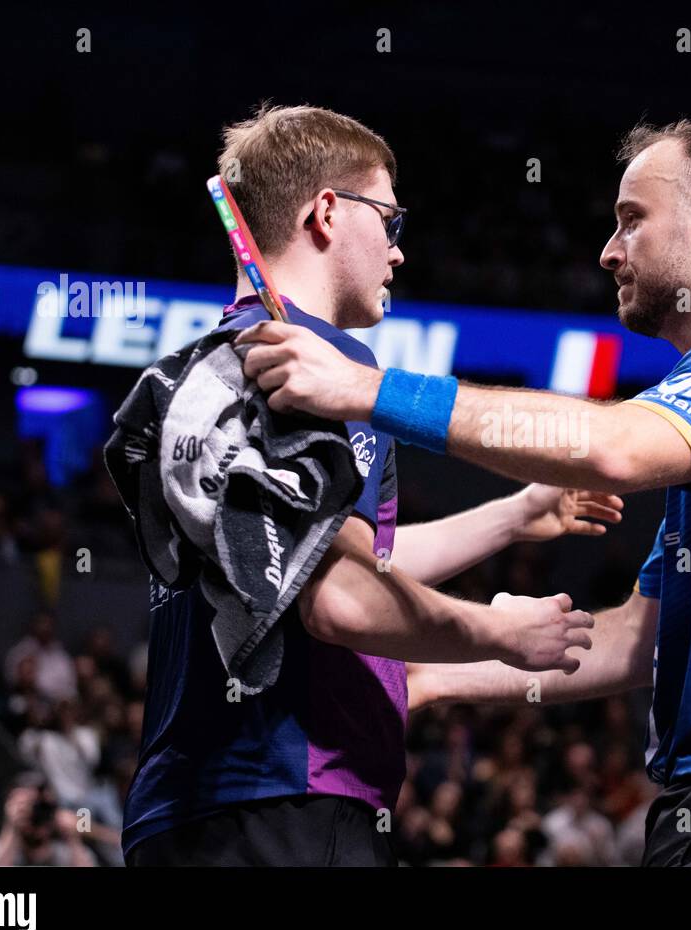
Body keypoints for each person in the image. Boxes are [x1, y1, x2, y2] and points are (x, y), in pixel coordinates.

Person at [238, 118, 691, 867]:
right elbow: (628, 644)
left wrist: (366, 388)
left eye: (631, 221)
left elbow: (610, 448)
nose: (608, 251)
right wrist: (429, 673)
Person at [122, 105, 616, 866]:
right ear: (326, 212)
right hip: (286, 798)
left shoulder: (214, 366)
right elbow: (340, 598)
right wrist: (499, 632)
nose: (398, 252)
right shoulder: (316, 370)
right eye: (389, 219)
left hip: (199, 808)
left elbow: (337, 557)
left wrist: (514, 514)